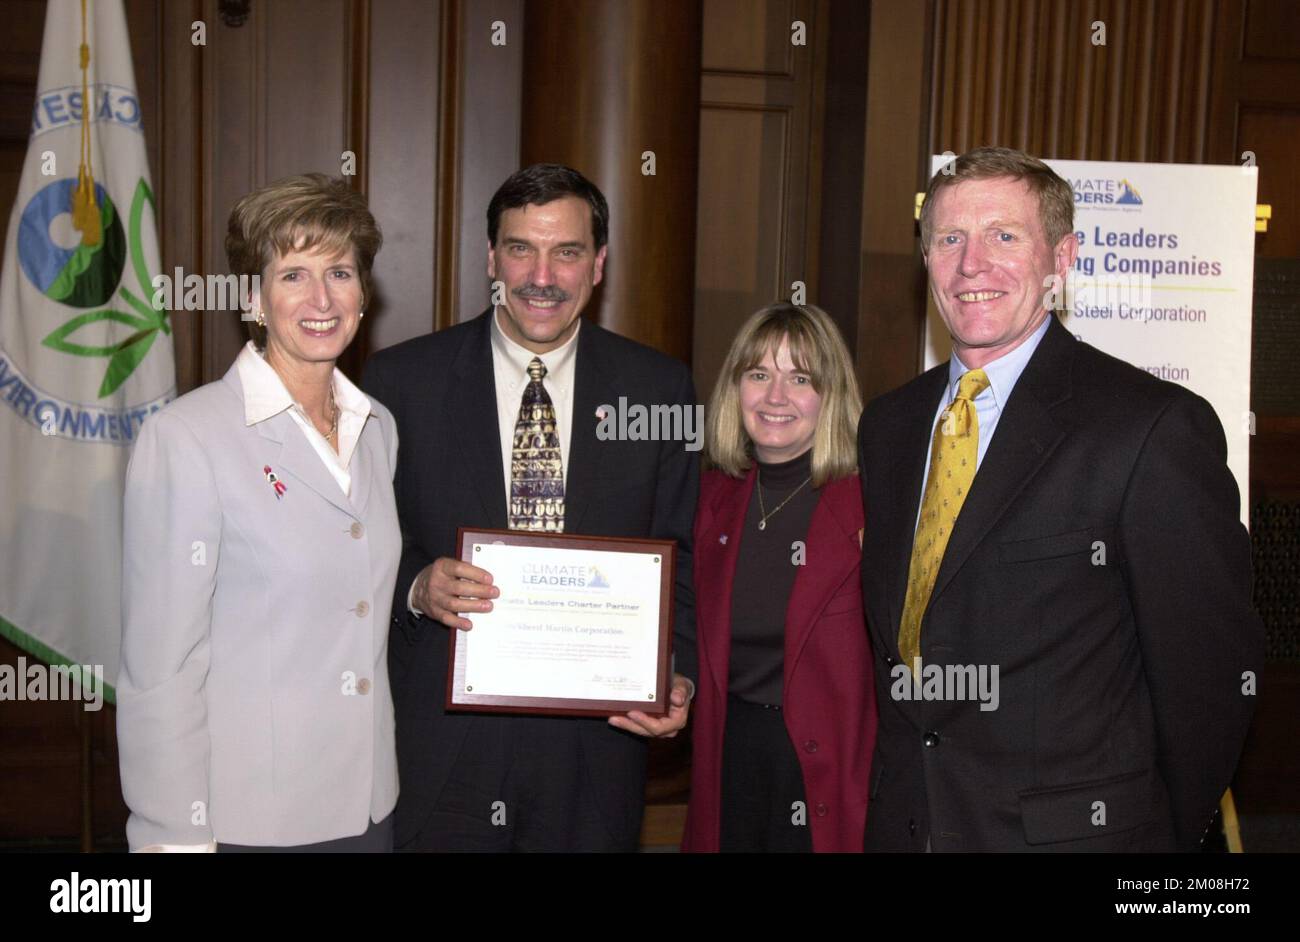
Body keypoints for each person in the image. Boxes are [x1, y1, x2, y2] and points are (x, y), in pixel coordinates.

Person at [858, 146, 1263, 852]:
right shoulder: (890, 427)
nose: (970, 264)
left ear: (1064, 258)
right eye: (949, 239)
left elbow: (1212, 679)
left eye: (1003, 236)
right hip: (911, 825)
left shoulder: (1148, 427)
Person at [361, 163, 698, 852]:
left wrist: (676, 670)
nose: (541, 275)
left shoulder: (658, 389)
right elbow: (358, 542)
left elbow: (682, 554)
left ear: (598, 264)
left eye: (567, 251)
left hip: (592, 752)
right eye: (521, 249)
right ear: (491, 257)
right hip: (441, 745)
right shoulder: (400, 382)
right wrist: (418, 585)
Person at [117, 174, 400, 851]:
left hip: (368, 809)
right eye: (293, 274)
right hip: (249, 824)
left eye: (340, 271)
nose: (322, 298)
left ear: (364, 293)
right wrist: (171, 837)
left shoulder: (378, 428)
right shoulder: (187, 438)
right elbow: (162, 669)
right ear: (254, 297)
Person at [682, 302, 875, 853]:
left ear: (830, 395)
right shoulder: (711, 499)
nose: (775, 397)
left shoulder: (872, 507)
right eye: (759, 375)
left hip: (830, 779)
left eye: (800, 379)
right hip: (728, 765)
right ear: (735, 388)